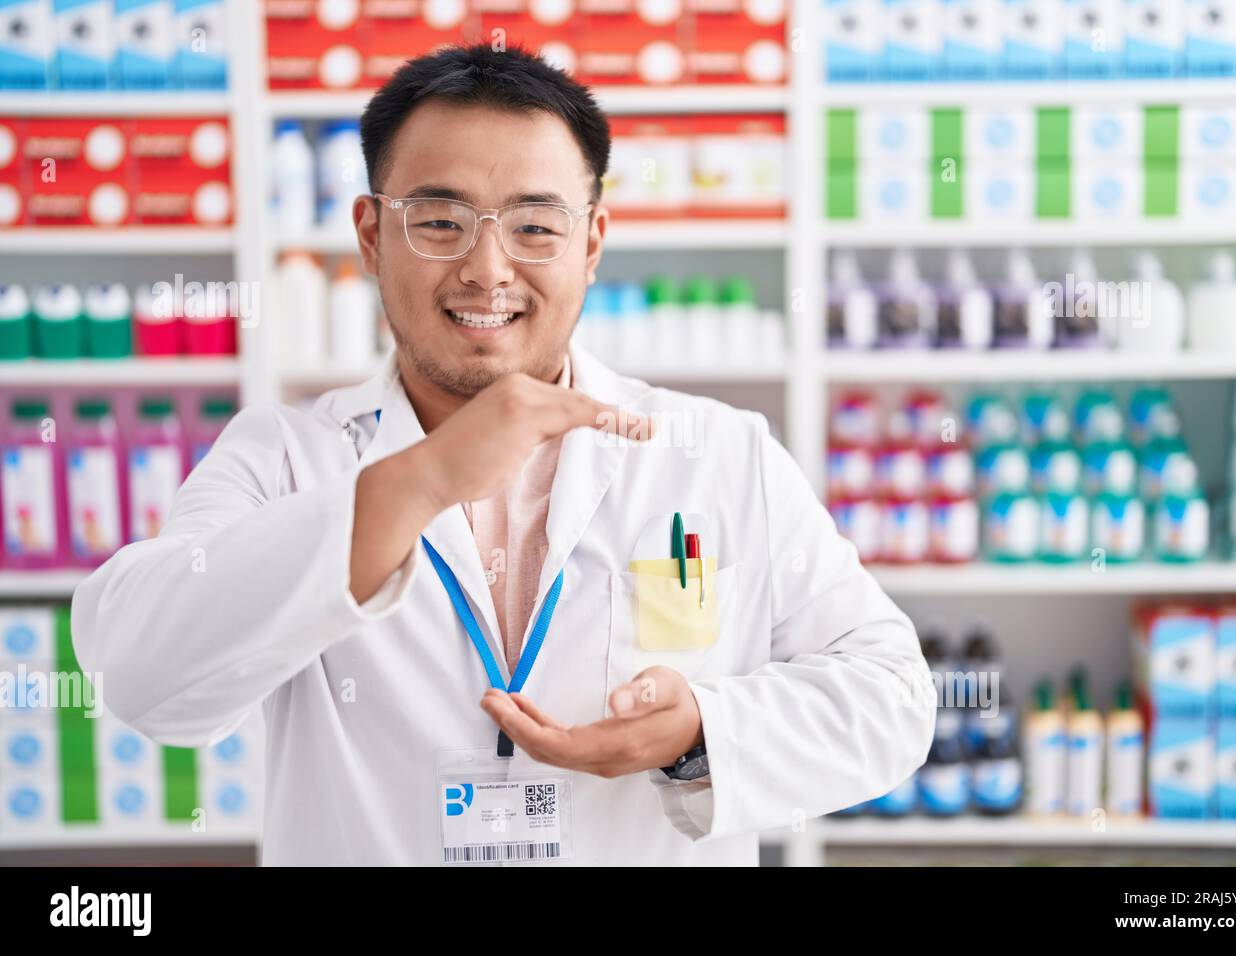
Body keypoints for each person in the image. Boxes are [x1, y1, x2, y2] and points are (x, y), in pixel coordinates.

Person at [71, 43, 935, 866]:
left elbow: (894, 697)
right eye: (440, 221)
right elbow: (139, 675)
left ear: (591, 243)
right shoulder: (285, 456)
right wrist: (423, 478)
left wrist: (699, 731)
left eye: (534, 225)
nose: (487, 270)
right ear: (371, 237)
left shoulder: (718, 452)